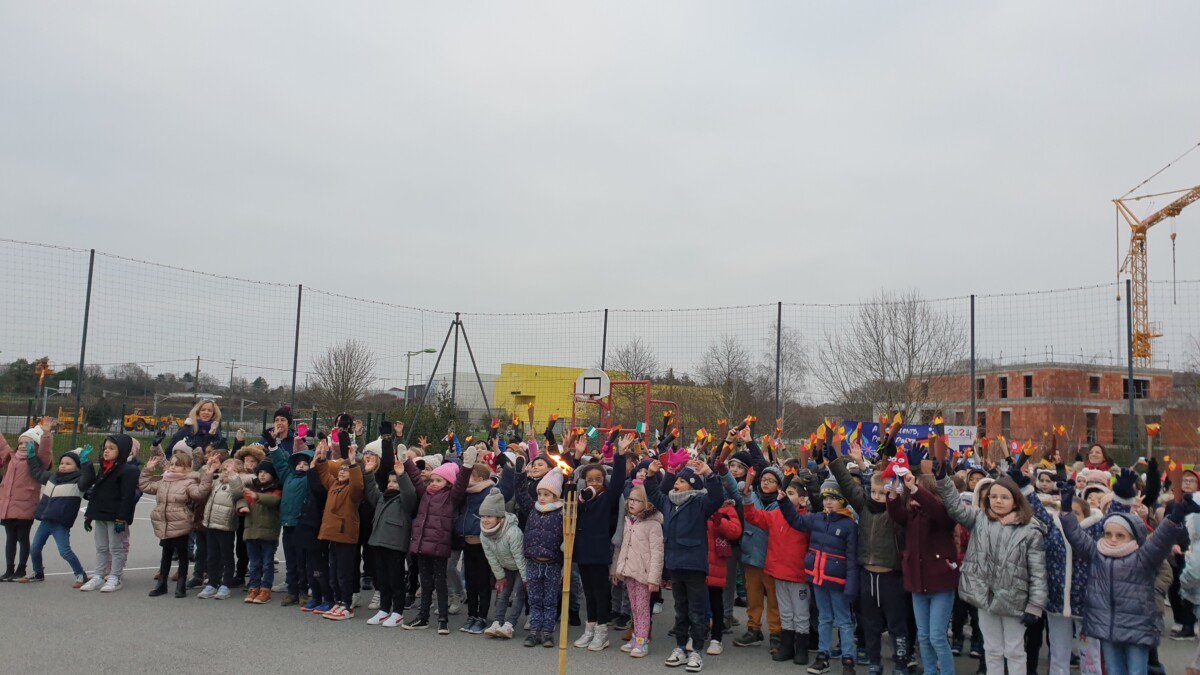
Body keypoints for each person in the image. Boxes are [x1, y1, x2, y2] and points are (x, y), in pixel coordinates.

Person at [1062, 476, 1196, 675]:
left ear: (1133, 537)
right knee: (1114, 670)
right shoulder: (1097, 553)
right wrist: (1065, 509)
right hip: (1107, 626)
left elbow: (1161, 540)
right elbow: (1075, 535)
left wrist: (1175, 517)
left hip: (1137, 627)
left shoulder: (1143, 556)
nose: (1113, 539)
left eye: (1120, 535)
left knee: (1136, 672)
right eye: (1108, 534)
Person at [936, 462, 1047, 675]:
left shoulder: (1030, 530)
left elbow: (1038, 572)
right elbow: (955, 507)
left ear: (1016, 500)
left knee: (1014, 651)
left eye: (1004, 497)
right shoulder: (979, 519)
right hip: (985, 598)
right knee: (992, 649)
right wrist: (943, 479)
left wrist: (1035, 605)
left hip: (1014, 601)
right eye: (994, 496)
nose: (998, 501)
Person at [644, 459, 724, 673]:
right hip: (675, 563)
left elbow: (717, 498)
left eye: (682, 480)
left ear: (693, 485)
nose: (676, 483)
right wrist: (651, 475)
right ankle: (680, 647)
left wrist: (710, 474)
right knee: (680, 610)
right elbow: (652, 494)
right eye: (676, 479)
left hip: (694, 565)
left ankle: (696, 650)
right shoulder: (669, 501)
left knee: (697, 611)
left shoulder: (699, 503)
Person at [834, 447, 908, 675]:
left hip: (891, 577)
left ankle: (901, 663)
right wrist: (835, 462)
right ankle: (875, 661)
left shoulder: (896, 514)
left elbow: (903, 495)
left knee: (897, 625)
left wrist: (902, 477)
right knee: (871, 623)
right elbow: (848, 486)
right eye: (874, 493)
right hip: (867, 575)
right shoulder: (864, 508)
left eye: (883, 493)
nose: (878, 497)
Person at [778, 476, 860, 675]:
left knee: (843, 621)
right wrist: (783, 502)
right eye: (825, 498)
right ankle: (823, 656)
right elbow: (796, 520)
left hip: (838, 582)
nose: (828, 502)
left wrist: (851, 586)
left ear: (843, 500)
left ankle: (848, 660)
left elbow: (852, 558)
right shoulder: (817, 519)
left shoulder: (849, 525)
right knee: (823, 618)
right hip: (818, 578)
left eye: (833, 498)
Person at [887, 470, 958, 675]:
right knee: (924, 637)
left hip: (940, 584)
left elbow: (936, 510)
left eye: (919, 489)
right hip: (918, 584)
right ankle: (929, 671)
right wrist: (893, 492)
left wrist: (916, 490)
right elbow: (895, 514)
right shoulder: (913, 515)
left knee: (937, 637)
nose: (913, 493)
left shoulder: (944, 514)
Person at [743, 470, 812, 665]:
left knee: (800, 614)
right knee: (786, 612)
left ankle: (802, 649)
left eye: (791, 494)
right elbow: (754, 517)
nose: (786, 496)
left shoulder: (806, 519)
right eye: (786, 493)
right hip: (778, 572)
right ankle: (787, 646)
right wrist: (748, 500)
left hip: (798, 575)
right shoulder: (775, 515)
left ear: (802, 499)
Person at [404, 444, 475, 634]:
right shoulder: (425, 493)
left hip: (439, 547)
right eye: (433, 479)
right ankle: (423, 617)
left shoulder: (451, 497)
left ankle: (443, 620)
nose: (433, 483)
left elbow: (461, 484)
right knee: (426, 583)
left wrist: (467, 465)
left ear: (449, 483)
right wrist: (405, 461)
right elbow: (415, 478)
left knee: (440, 583)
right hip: (421, 545)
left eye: (439, 480)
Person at [572, 434, 631, 652]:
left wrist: (620, 454)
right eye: (590, 480)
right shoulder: (580, 500)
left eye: (598, 480)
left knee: (600, 591)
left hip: (598, 552)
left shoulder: (607, 498)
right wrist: (577, 457)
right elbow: (571, 479)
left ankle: (602, 631)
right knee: (587, 591)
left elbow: (617, 482)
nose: (594, 483)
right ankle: (590, 627)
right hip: (582, 551)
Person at [140, 444, 214, 598]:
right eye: (172, 464)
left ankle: (181, 584)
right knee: (166, 553)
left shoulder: (188, 482)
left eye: (178, 465)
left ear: (187, 468)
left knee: (182, 554)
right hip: (164, 522)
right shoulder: (164, 481)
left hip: (181, 522)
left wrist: (207, 474)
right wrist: (148, 470)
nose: (173, 467)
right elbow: (145, 486)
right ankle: (162, 584)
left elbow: (199, 493)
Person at [361, 430, 417, 627]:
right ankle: (384, 609)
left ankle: (398, 612)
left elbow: (410, 493)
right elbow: (370, 490)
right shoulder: (382, 498)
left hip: (395, 545)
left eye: (396, 482)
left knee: (396, 580)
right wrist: (368, 472)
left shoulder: (405, 500)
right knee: (382, 579)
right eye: (390, 481)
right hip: (378, 542)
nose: (392, 484)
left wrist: (402, 476)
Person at [78, 433, 140, 592]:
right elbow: (97, 492)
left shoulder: (129, 470)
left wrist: (122, 518)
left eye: (111, 448)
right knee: (101, 547)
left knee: (116, 547)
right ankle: (99, 575)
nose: (106, 451)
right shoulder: (104, 468)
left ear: (123, 450)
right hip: (100, 514)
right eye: (105, 448)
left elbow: (127, 497)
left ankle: (115, 577)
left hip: (115, 516)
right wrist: (90, 515)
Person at [313, 438, 365, 621]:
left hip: (346, 536)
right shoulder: (334, 485)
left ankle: (347, 605)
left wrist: (352, 463)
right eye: (341, 470)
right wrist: (321, 457)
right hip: (332, 535)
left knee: (344, 574)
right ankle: (338, 602)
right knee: (333, 573)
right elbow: (324, 473)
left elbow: (358, 484)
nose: (342, 472)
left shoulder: (353, 491)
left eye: (346, 470)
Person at [22, 443, 88, 585]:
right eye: (62, 463)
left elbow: (88, 479)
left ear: (77, 467)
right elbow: (37, 473)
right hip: (46, 521)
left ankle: (80, 574)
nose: (63, 465)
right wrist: (32, 457)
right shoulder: (52, 477)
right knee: (34, 549)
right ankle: (38, 573)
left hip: (60, 524)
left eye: (68, 463)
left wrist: (86, 463)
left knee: (64, 551)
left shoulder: (79, 482)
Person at [516, 467, 566, 648]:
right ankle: (534, 631)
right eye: (540, 493)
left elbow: (569, 534)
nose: (542, 497)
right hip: (533, 563)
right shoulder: (532, 509)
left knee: (550, 601)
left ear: (556, 496)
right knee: (534, 599)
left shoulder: (562, 513)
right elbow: (521, 493)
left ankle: (547, 632)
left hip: (552, 564)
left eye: (547, 494)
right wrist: (520, 473)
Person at [612, 483, 663, 657]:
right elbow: (624, 547)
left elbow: (657, 553)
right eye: (630, 499)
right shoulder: (629, 521)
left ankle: (642, 640)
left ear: (646, 503)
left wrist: (654, 578)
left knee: (642, 608)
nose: (632, 503)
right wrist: (619, 569)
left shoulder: (653, 524)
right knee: (634, 606)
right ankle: (636, 636)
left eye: (637, 500)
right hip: (630, 572)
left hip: (644, 574)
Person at [0, 422, 53, 582]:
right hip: (8, 507)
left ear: (36, 445)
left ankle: (21, 568)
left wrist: (46, 435)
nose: (23, 446)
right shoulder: (10, 457)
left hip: (26, 507)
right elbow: (2, 445)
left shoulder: (37, 461)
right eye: (21, 442)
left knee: (23, 538)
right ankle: (9, 569)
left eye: (28, 443)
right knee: (10, 538)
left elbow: (46, 451)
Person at [480, 487, 527, 640]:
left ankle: (509, 625)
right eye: (483, 516)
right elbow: (491, 557)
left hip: (521, 567)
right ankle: (497, 622)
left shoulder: (513, 533)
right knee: (502, 594)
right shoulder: (484, 534)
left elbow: (520, 557)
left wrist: (526, 578)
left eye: (490, 516)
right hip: (505, 566)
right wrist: (500, 577)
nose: (485, 520)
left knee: (518, 594)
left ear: (499, 518)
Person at [197, 457, 243, 600]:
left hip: (226, 525)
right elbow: (203, 480)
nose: (225, 472)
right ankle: (212, 583)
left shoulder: (238, 483)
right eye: (224, 469)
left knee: (226, 556)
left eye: (229, 468)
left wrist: (233, 476)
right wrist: (208, 468)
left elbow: (238, 493)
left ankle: (226, 585)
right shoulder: (217, 482)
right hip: (211, 524)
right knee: (212, 556)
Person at [237, 458, 282, 604]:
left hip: (268, 533)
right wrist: (242, 506)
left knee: (267, 563)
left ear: (273, 475)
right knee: (254, 563)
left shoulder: (276, 489)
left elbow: (273, 501)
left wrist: (257, 496)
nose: (262, 475)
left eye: (266, 472)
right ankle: (253, 587)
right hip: (251, 532)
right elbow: (242, 499)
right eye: (260, 472)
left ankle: (265, 589)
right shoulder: (253, 488)